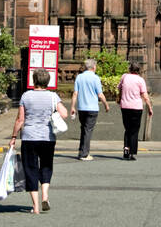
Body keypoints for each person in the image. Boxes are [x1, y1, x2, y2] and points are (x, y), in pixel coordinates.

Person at [11, 70, 68, 213]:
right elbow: (64, 114)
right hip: (48, 137)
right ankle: (45, 196)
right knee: (46, 166)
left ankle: (35, 206)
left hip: (29, 137)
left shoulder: (26, 95)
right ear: (47, 82)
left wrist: (13, 137)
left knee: (30, 169)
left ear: (34, 80)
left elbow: (20, 120)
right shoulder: (53, 96)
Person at [71, 58, 110, 161]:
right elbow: (100, 94)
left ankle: (81, 151)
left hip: (81, 108)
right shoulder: (95, 78)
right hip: (92, 108)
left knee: (84, 129)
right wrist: (106, 104)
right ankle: (84, 154)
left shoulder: (79, 77)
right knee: (88, 130)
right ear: (94, 67)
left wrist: (72, 107)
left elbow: (75, 93)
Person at [117, 61, 152, 161]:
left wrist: (120, 97)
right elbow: (145, 96)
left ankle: (126, 149)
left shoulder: (124, 77)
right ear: (139, 70)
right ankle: (132, 152)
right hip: (136, 107)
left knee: (127, 129)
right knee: (134, 130)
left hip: (125, 106)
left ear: (130, 69)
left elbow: (119, 88)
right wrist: (149, 107)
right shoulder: (140, 80)